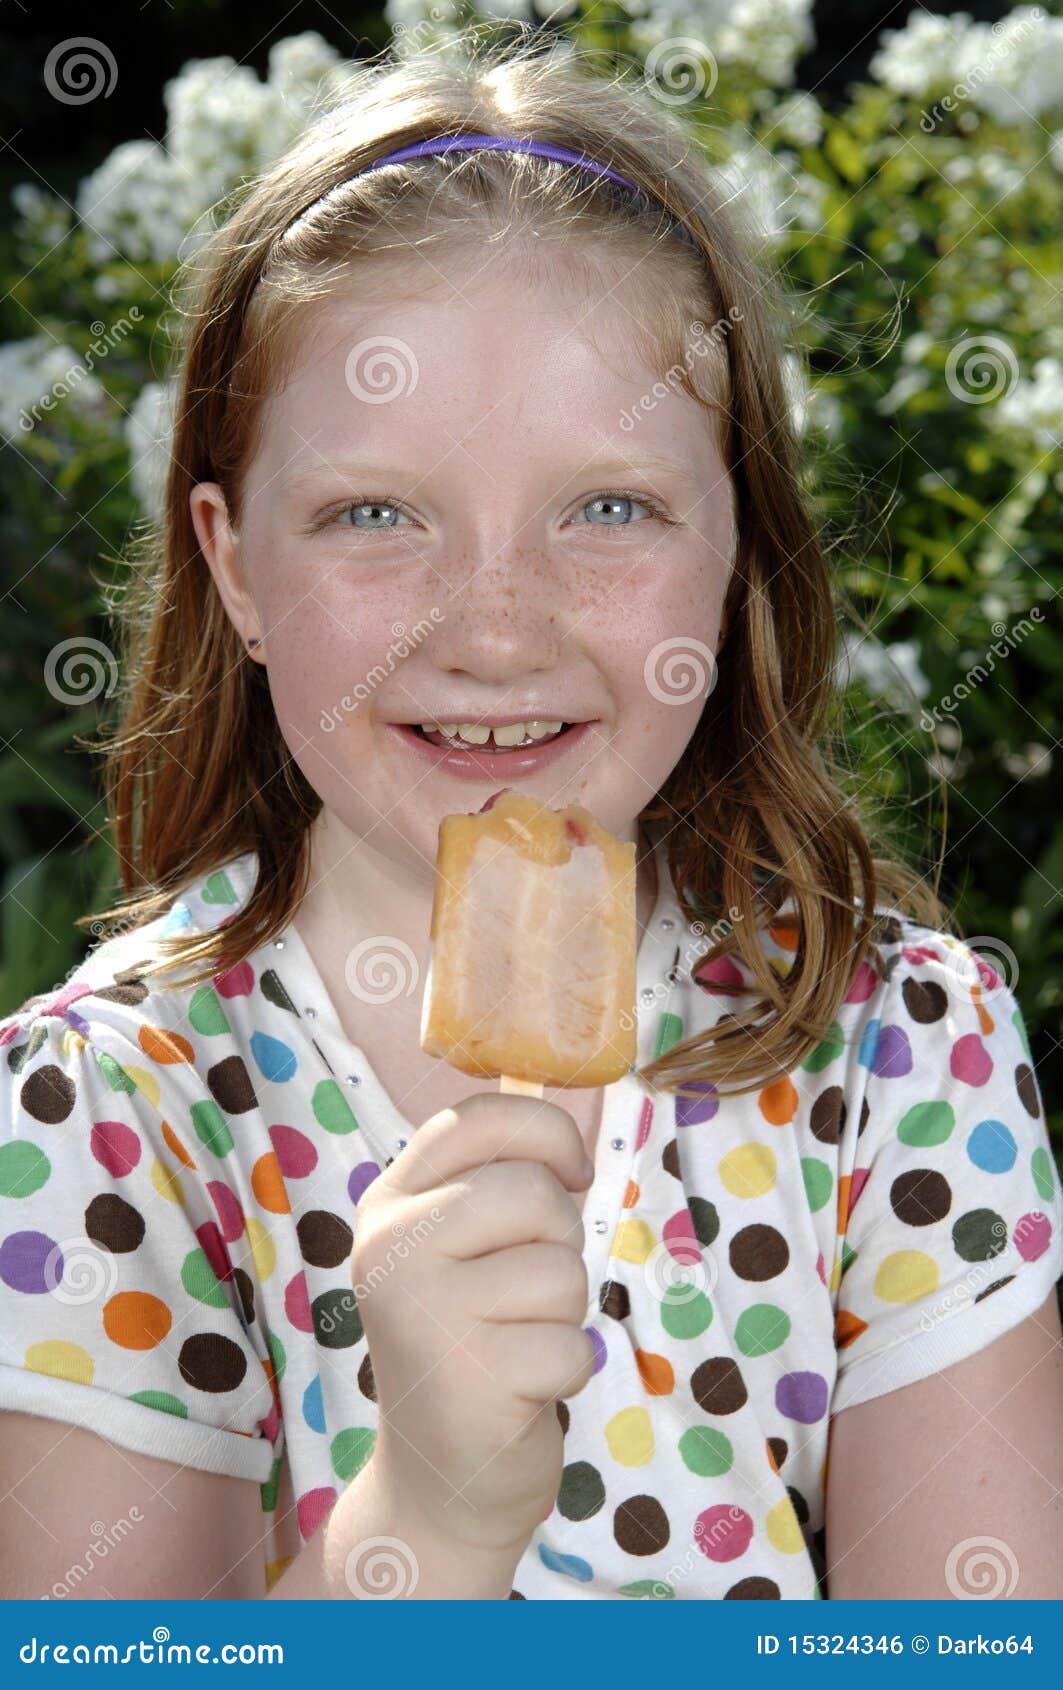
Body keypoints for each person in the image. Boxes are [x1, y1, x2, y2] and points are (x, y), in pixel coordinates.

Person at [1, 31, 1061, 1603]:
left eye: (610, 507)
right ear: (232, 568)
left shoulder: (893, 1053)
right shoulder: (108, 1116)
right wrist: (422, 1519)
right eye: (375, 513)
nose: (496, 630)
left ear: (738, 548)